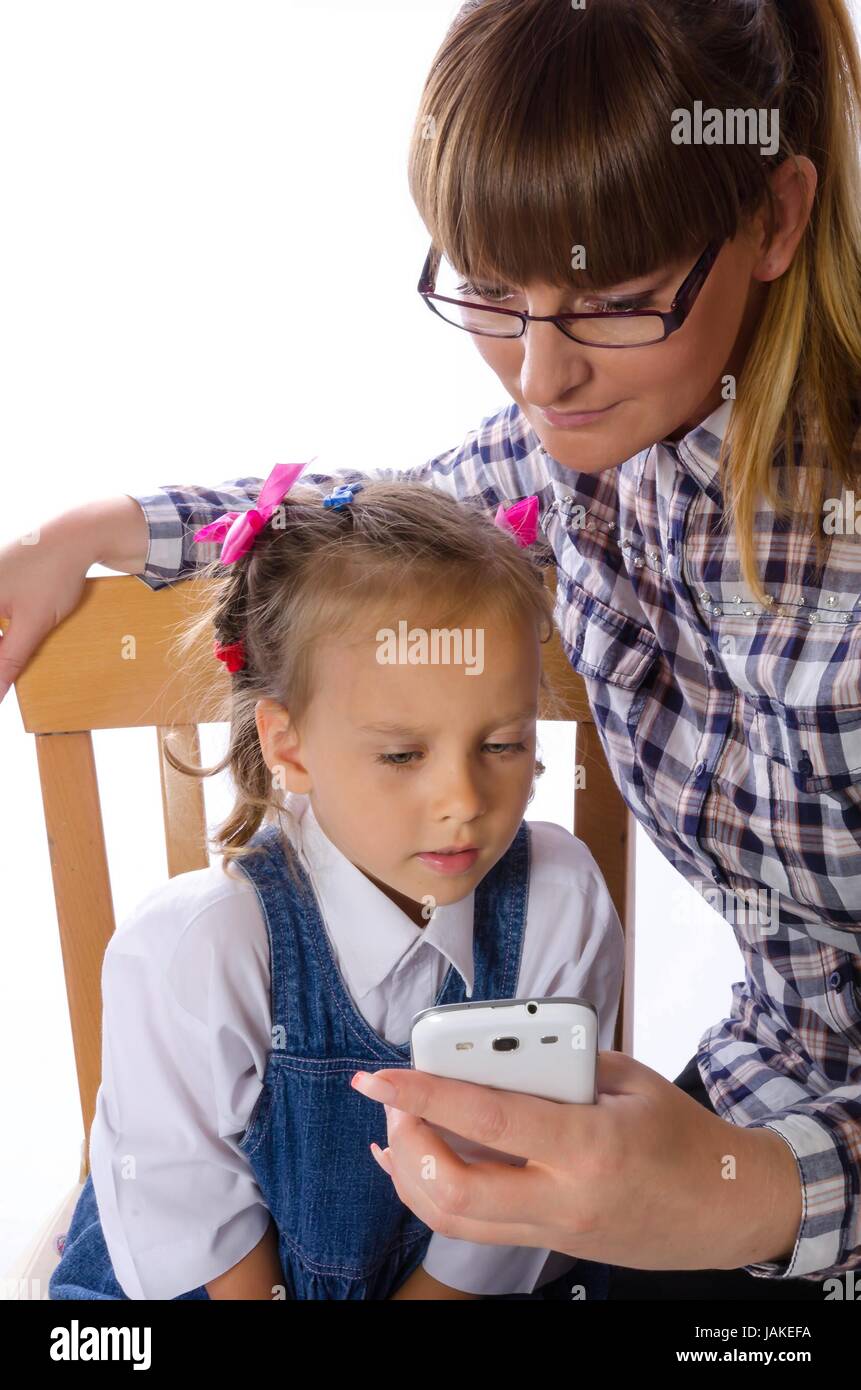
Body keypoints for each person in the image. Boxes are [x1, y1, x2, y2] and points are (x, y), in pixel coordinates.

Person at [3, 0, 860, 1297]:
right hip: (745, 1113)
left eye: (613, 301)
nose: (536, 374)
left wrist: (749, 1195)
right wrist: (92, 527)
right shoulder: (592, 453)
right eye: (491, 290)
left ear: (778, 221)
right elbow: (365, 522)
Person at [46, 470, 623, 1300]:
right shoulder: (199, 949)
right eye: (401, 755)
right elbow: (200, 1244)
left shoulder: (556, 902)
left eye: (500, 744)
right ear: (289, 747)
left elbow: (518, 1199)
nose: (462, 801)